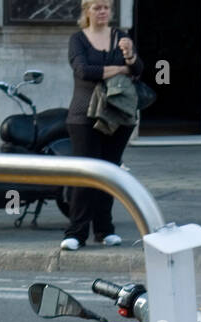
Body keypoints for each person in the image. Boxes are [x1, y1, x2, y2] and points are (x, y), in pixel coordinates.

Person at [62, 0, 144, 251]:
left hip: (117, 114)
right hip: (84, 115)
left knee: (110, 172)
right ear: (87, 11)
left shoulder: (122, 38)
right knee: (86, 174)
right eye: (97, 7)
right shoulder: (78, 39)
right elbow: (84, 70)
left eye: (106, 7)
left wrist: (130, 54)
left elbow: (139, 70)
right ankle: (76, 233)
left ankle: (104, 230)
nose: (102, 12)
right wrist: (122, 68)